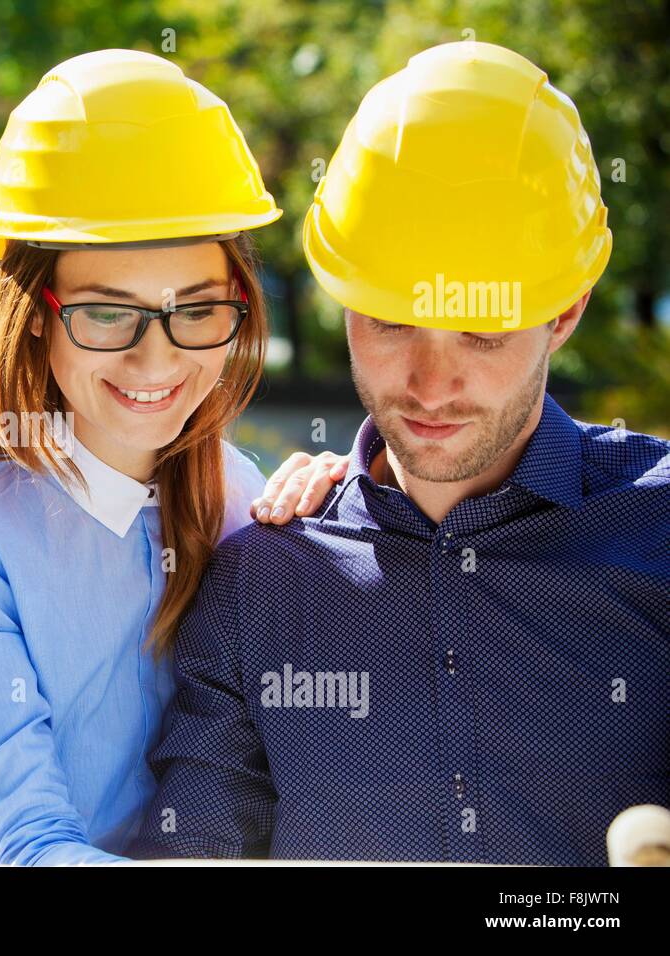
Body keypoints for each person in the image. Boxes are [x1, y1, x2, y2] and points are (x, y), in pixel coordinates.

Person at [130, 41, 670, 866]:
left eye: (482, 332)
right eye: (390, 322)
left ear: (565, 311)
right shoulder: (260, 583)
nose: (429, 383)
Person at [0, 49, 347, 864]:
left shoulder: (236, 494)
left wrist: (331, 524)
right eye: (108, 314)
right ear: (33, 311)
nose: (158, 362)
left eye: (196, 311)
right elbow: (25, 843)